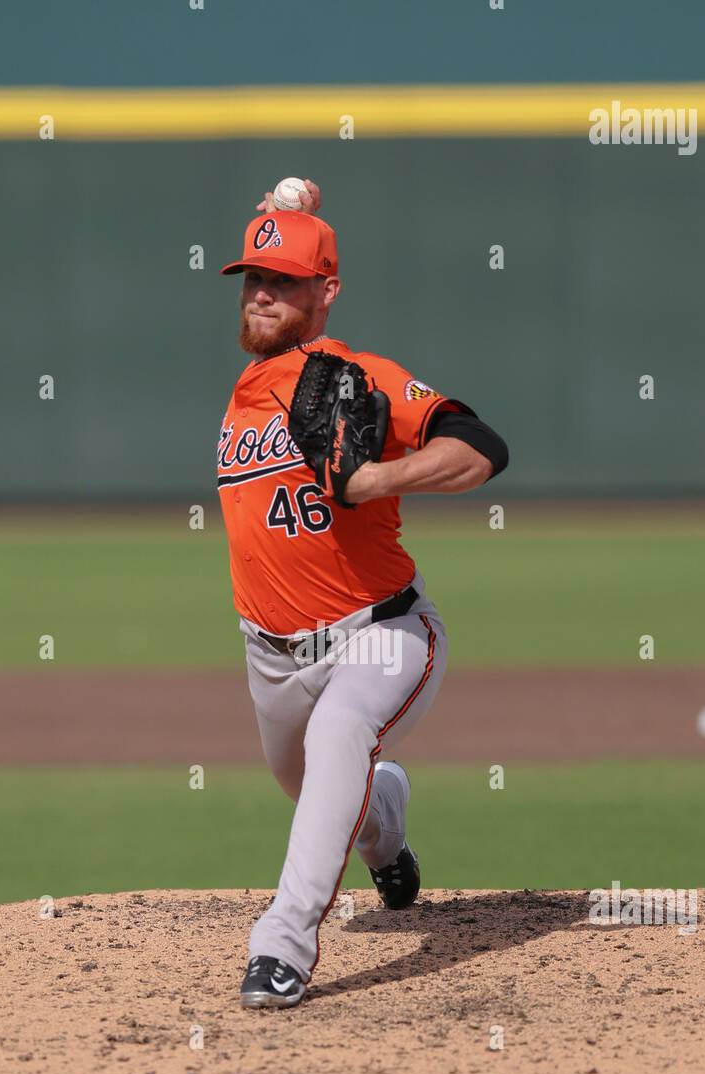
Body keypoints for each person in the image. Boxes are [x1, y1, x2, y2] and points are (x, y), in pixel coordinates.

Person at [218, 179, 508, 1007]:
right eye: (253, 278)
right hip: (269, 658)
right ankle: (386, 826)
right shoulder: (247, 391)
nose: (264, 293)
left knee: (344, 729)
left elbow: (481, 447)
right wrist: (285, 207)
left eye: (284, 279)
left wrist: (378, 475)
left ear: (327, 292)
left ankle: (282, 947)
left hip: (380, 632)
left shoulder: (360, 376)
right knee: (317, 783)